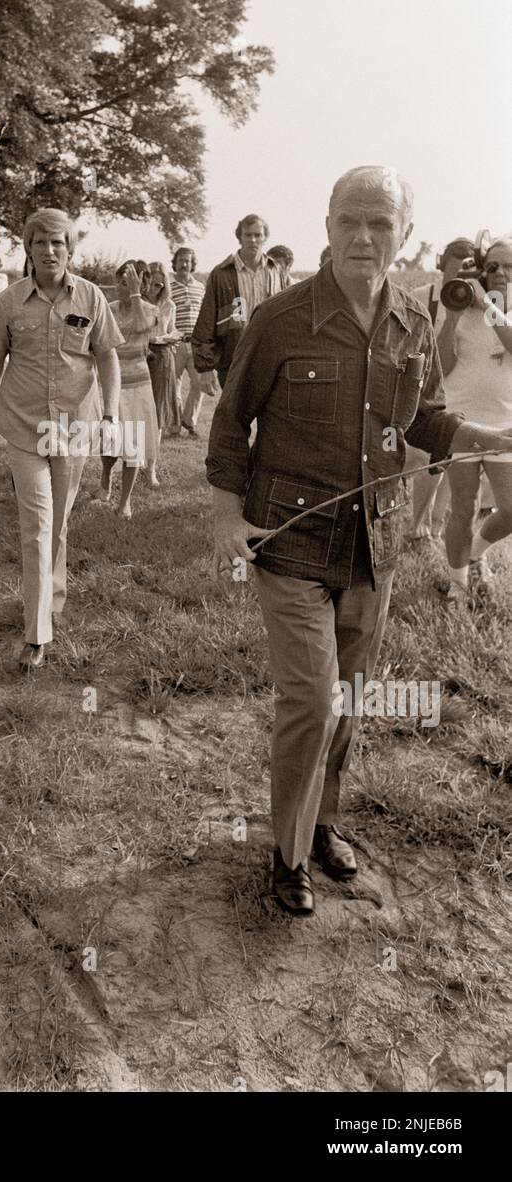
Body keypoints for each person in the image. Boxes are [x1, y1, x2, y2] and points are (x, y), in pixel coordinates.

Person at [208, 166, 512, 918]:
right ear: (327, 225)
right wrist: (224, 516)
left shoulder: (412, 319)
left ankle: (323, 824)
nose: (364, 237)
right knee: (311, 699)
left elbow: (423, 419)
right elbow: (228, 423)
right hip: (288, 542)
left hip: (371, 545)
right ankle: (285, 857)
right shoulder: (279, 318)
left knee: (347, 698)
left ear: (405, 234)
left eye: (381, 224)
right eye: (351, 220)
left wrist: (487, 436)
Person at [0, 208, 123, 671]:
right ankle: (36, 633)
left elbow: (108, 360)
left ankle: (51, 594)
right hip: (23, 426)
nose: (50, 250)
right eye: (40, 242)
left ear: (70, 249)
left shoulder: (92, 298)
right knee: (37, 525)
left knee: (58, 522)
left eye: (58, 242)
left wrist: (113, 415)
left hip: (75, 426)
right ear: (29, 249)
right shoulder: (9, 301)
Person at [435, 236, 512, 601]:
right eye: (493, 265)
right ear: (482, 267)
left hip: (506, 423)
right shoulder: (460, 301)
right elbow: (441, 368)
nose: (500, 273)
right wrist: (451, 320)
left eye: (509, 265)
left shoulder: (496, 305)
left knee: (511, 508)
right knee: (463, 505)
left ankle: (477, 551)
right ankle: (458, 583)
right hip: (462, 419)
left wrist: (488, 308)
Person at [403, 238, 475, 540]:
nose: (457, 282)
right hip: (431, 399)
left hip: (467, 397)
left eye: (466, 275)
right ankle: (416, 527)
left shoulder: (480, 306)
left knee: (453, 468)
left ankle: (433, 527)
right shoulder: (422, 299)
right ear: (441, 265)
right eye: (453, 272)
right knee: (427, 463)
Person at [192, 214, 288, 394]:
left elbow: (286, 317)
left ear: (265, 237)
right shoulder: (221, 274)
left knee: (272, 419)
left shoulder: (275, 271)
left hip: (270, 358)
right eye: (248, 235)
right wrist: (205, 367)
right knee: (233, 419)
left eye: (258, 235)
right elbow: (206, 320)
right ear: (239, 237)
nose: (253, 240)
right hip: (233, 359)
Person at [96, 261, 160, 515]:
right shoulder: (107, 309)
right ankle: (105, 483)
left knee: (132, 445)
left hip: (138, 388)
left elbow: (142, 327)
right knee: (108, 443)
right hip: (111, 386)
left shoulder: (150, 309)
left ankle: (125, 503)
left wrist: (136, 295)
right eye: (121, 281)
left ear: (142, 285)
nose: (124, 287)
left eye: (131, 282)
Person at [145, 263, 182, 471]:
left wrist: (170, 337)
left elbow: (172, 330)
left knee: (157, 412)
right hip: (139, 356)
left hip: (162, 357)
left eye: (159, 284)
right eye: (150, 283)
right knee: (137, 410)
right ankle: (135, 461)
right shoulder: (136, 302)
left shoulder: (169, 305)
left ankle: (151, 467)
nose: (153, 288)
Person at [169, 247, 206, 437]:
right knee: (172, 385)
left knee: (199, 382)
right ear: (174, 263)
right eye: (181, 260)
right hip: (175, 342)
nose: (184, 264)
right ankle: (174, 426)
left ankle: (189, 421)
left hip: (196, 343)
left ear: (193, 264)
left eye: (188, 261)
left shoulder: (200, 287)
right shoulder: (168, 287)